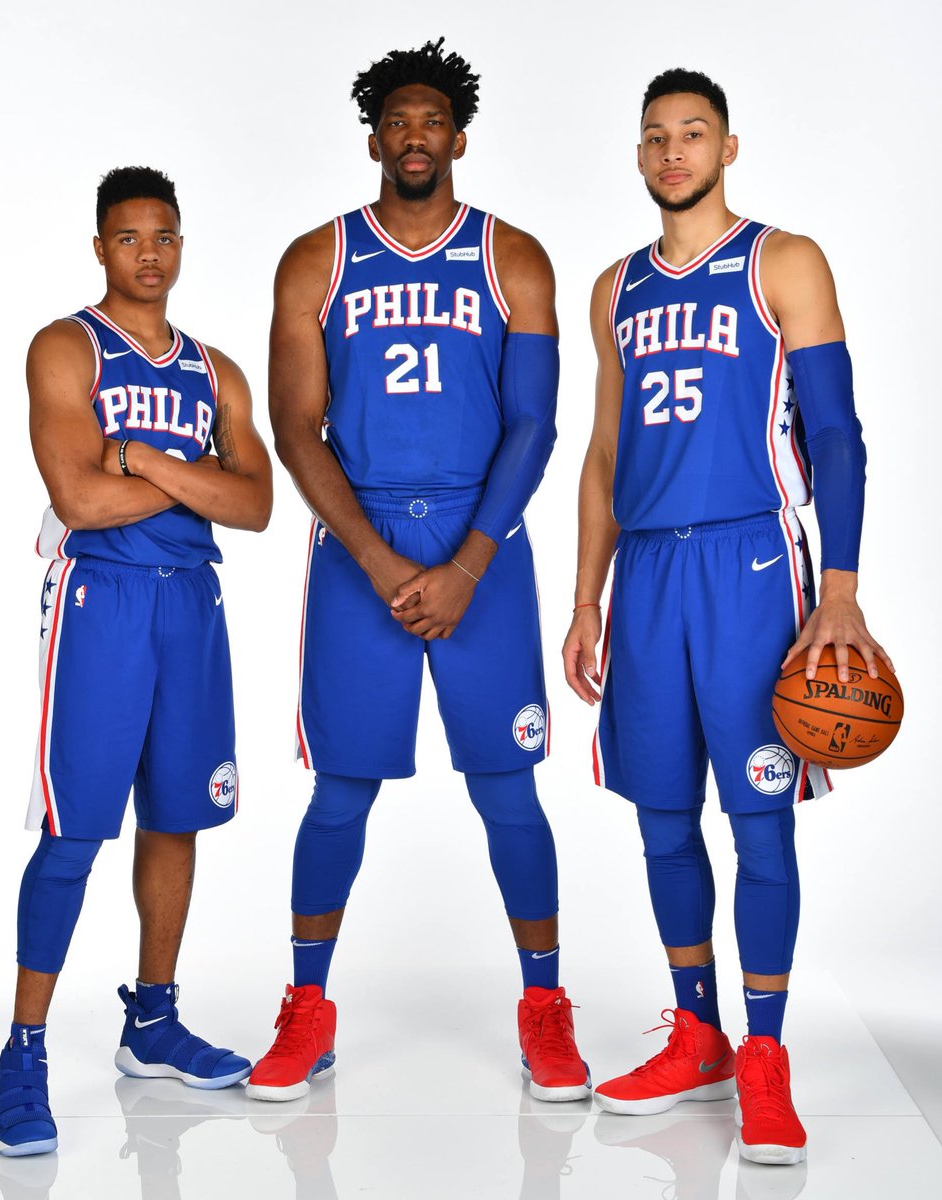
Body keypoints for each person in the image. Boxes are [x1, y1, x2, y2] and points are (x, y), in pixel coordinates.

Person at [248, 38, 589, 1105]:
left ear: (459, 137)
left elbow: (534, 425)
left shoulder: (514, 257)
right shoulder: (318, 257)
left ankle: (544, 1005)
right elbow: (297, 430)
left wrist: (469, 565)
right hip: (365, 545)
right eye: (396, 119)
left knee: (509, 791)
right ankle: (308, 1007)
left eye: (431, 119)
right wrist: (383, 556)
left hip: (484, 540)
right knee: (341, 792)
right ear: (373, 138)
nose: (413, 135)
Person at [562, 69, 890, 1165]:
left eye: (691, 134)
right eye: (654, 137)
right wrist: (584, 600)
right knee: (662, 816)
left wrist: (838, 587)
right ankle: (696, 1030)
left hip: (754, 564)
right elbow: (604, 458)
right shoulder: (613, 288)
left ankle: (765, 1054)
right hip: (647, 575)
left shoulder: (782, 260)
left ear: (728, 149)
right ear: (639, 152)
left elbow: (837, 435)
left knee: (759, 816)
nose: (671, 152)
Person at [0, 166, 273, 1157]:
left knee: (178, 819)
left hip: (190, 607)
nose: (147, 256)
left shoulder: (216, 372)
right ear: (100, 246)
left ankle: (153, 1021)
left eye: (164, 238)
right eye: (128, 238)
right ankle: (22, 1051)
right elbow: (81, 502)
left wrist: (147, 460)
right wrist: (201, 481)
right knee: (74, 834)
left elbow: (259, 507)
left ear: (181, 246)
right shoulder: (68, 348)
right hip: (100, 606)